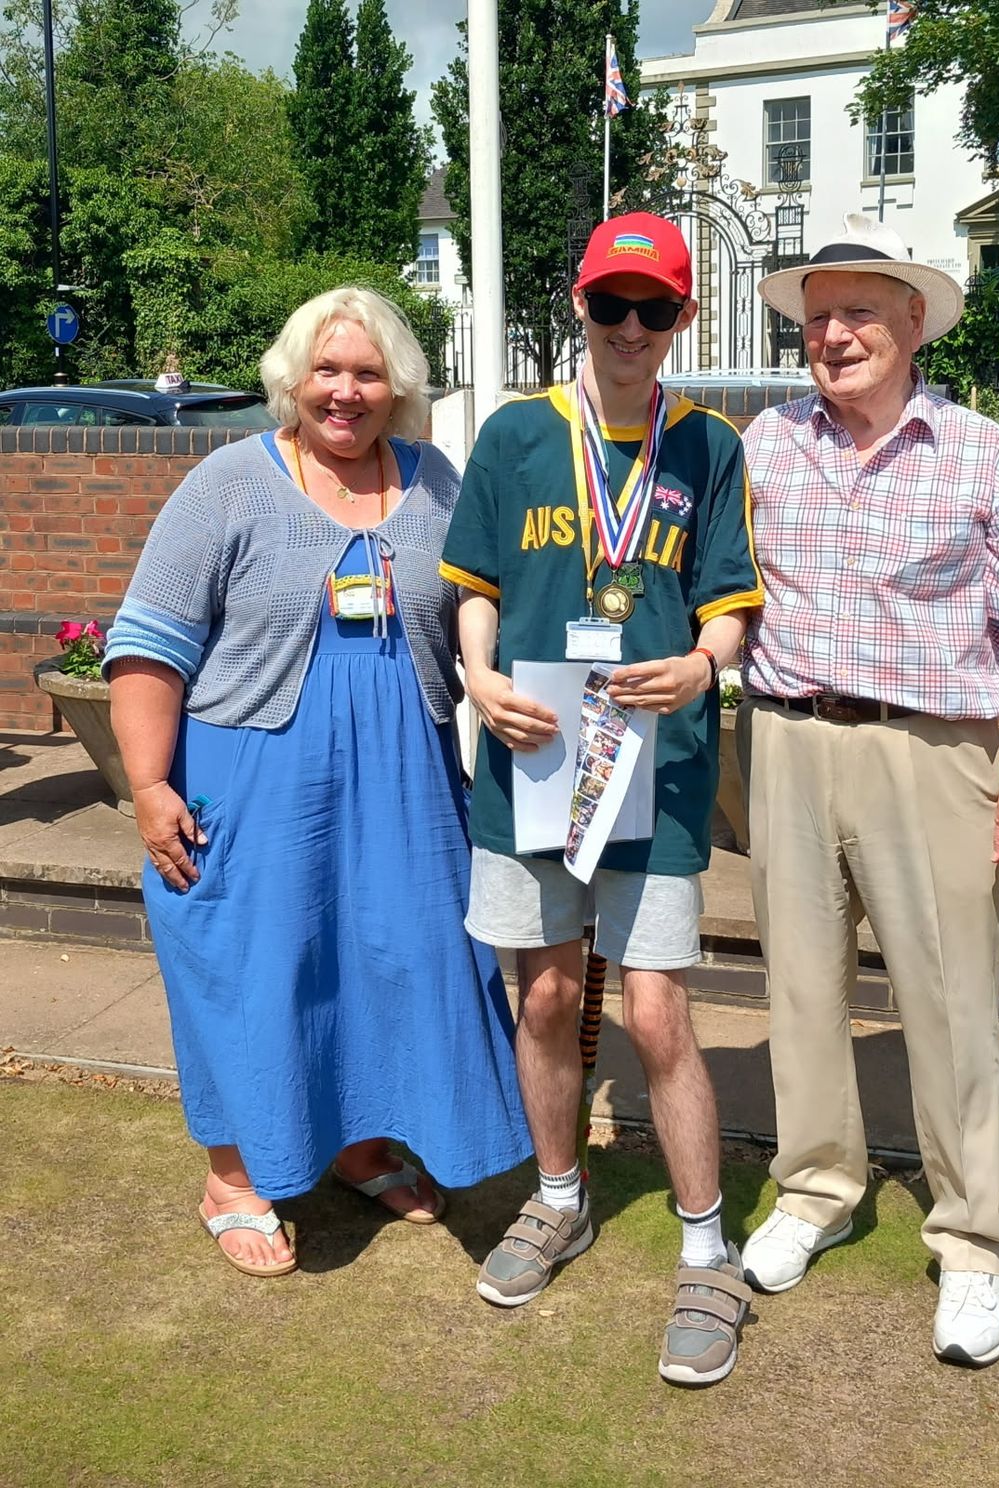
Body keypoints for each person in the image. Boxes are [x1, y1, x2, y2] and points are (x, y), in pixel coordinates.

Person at [105, 286, 531, 1277]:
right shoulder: (225, 486)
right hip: (256, 779)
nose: (344, 392)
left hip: (407, 779)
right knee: (262, 969)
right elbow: (148, 650)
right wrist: (147, 784)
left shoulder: (437, 484)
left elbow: (494, 610)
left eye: (368, 373)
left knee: (396, 960)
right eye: (327, 371)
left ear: (401, 388)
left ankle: (359, 1141)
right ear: (291, 379)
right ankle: (233, 1176)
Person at [738, 213, 999, 1366]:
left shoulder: (987, 456)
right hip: (787, 738)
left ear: (915, 321)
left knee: (948, 1003)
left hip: (936, 754)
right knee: (800, 991)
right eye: (818, 316)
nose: (834, 336)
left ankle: (974, 1241)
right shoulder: (763, 447)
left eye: (860, 313)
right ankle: (816, 1189)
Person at [438, 212, 763, 1386]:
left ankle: (707, 1248)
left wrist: (705, 664)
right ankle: (560, 1198)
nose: (632, 330)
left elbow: (729, 598)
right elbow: (473, 585)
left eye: (657, 309)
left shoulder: (709, 447)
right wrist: (477, 678)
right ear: (578, 306)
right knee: (546, 1001)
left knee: (660, 1016)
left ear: (683, 319)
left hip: (659, 767)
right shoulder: (518, 434)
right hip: (532, 756)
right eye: (611, 306)